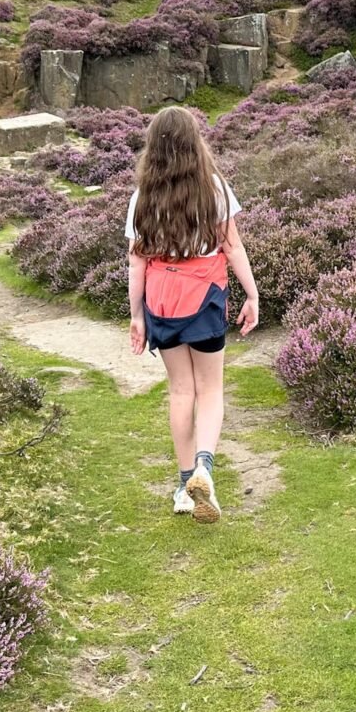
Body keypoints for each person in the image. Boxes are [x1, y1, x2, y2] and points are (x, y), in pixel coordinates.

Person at [127, 107, 260, 524]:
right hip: (204, 297)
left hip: (162, 301)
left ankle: (185, 485)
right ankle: (205, 466)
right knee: (211, 389)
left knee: (180, 391)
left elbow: (137, 263)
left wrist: (136, 316)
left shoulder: (141, 198)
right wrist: (252, 295)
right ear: (194, 144)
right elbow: (232, 247)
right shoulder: (215, 189)